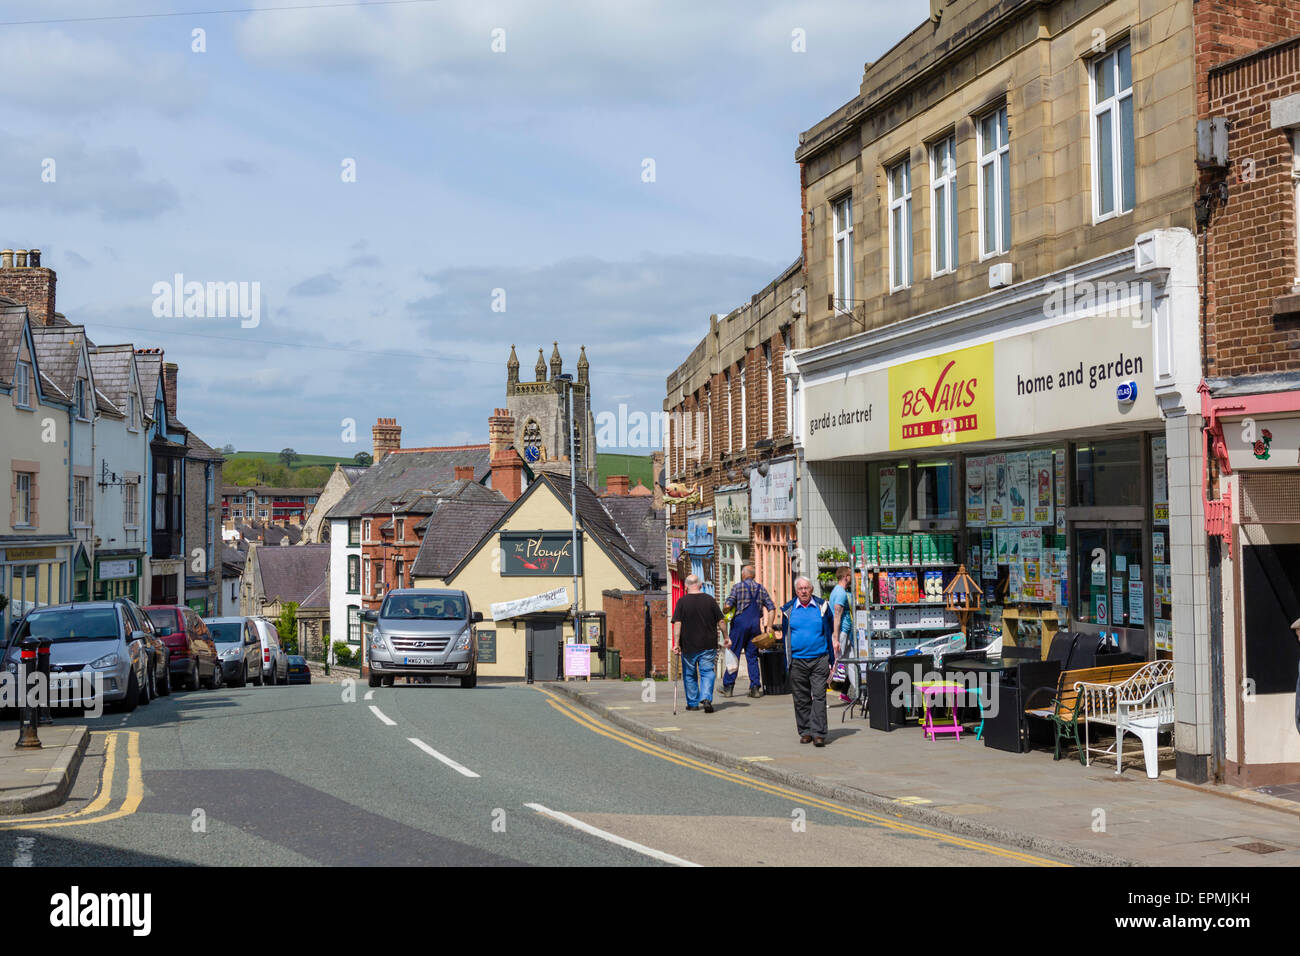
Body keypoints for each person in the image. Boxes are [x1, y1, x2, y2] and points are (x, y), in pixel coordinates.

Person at [775, 576, 835, 746]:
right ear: (796, 591)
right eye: (800, 589)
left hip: (819, 658)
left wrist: (832, 655)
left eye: (806, 588)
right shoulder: (788, 609)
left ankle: (819, 734)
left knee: (819, 696)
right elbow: (786, 635)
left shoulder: (822, 606)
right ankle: (805, 731)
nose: (803, 591)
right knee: (801, 698)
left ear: (812, 589)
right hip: (797, 660)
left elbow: (830, 630)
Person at [671, 574, 726, 713]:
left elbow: (677, 624)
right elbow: (721, 621)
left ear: (685, 586)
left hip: (689, 646)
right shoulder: (710, 600)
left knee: (689, 674)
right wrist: (726, 636)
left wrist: (676, 643)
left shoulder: (682, 602)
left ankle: (693, 703)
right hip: (708, 644)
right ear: (700, 585)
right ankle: (706, 698)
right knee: (707, 672)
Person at [721, 564, 776, 699]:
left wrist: (726, 611)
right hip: (754, 626)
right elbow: (772, 608)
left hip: (739, 625)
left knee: (734, 654)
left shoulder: (737, 587)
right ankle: (755, 687)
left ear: (743, 575)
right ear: (754, 576)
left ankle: (728, 687)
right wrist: (769, 625)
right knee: (752, 656)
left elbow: (728, 605)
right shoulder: (760, 588)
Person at [828, 566, 854, 701]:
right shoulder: (840, 593)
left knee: (852, 662)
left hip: (846, 633)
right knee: (835, 664)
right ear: (845, 577)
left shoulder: (839, 591)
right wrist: (836, 639)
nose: (852, 578)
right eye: (851, 575)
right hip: (842, 633)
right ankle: (817, 694)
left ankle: (856, 695)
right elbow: (837, 616)